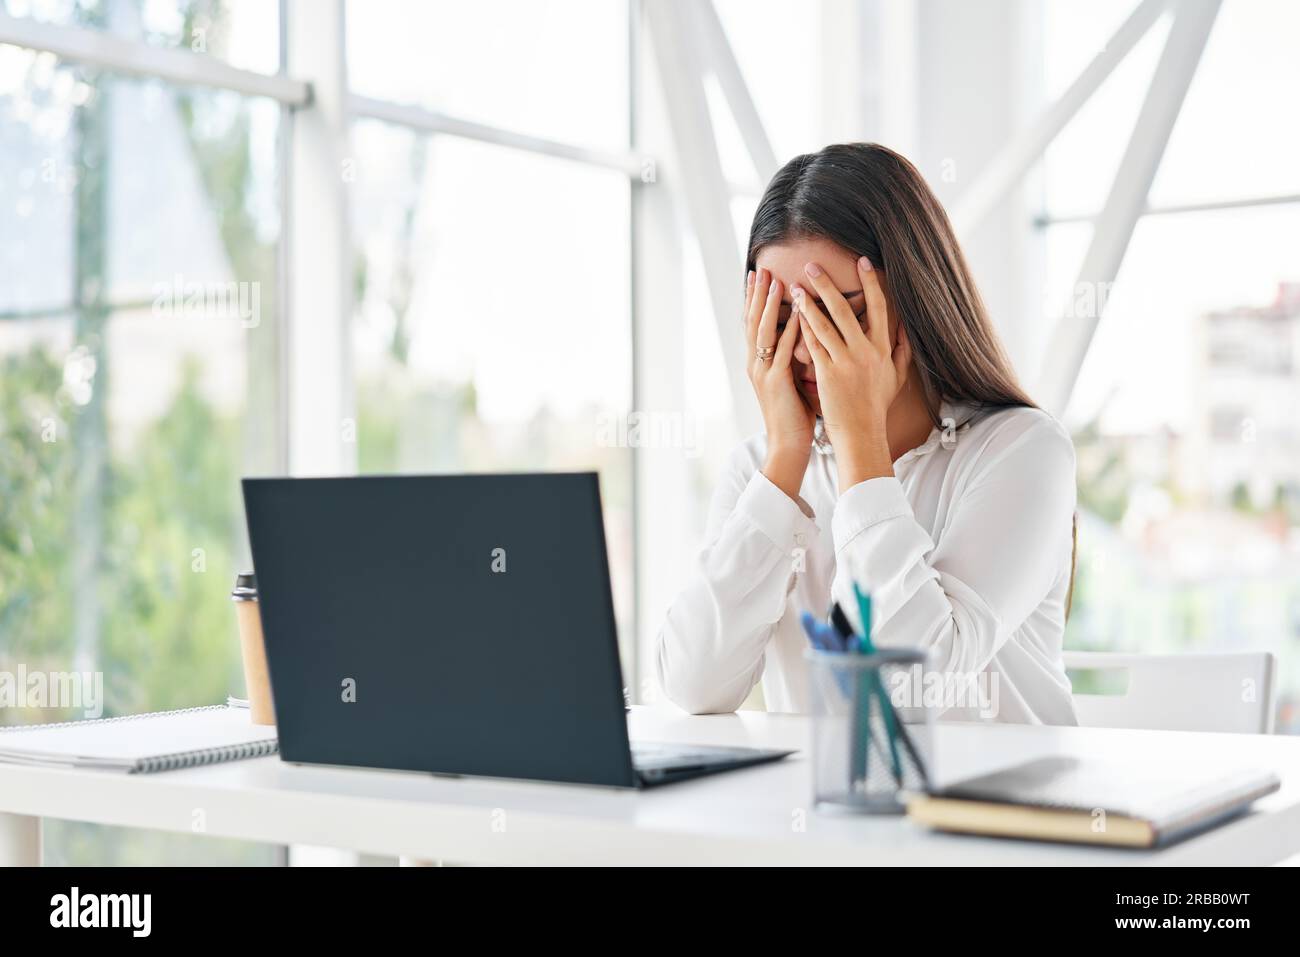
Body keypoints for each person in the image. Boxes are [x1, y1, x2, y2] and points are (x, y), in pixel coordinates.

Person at [656, 143, 1078, 724]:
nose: (804, 350)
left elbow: (906, 692)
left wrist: (859, 443)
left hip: (1001, 811)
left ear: (912, 302)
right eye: (780, 320)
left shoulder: (1023, 452)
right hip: (830, 813)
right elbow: (695, 685)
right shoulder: (760, 468)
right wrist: (784, 459)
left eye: (835, 314)